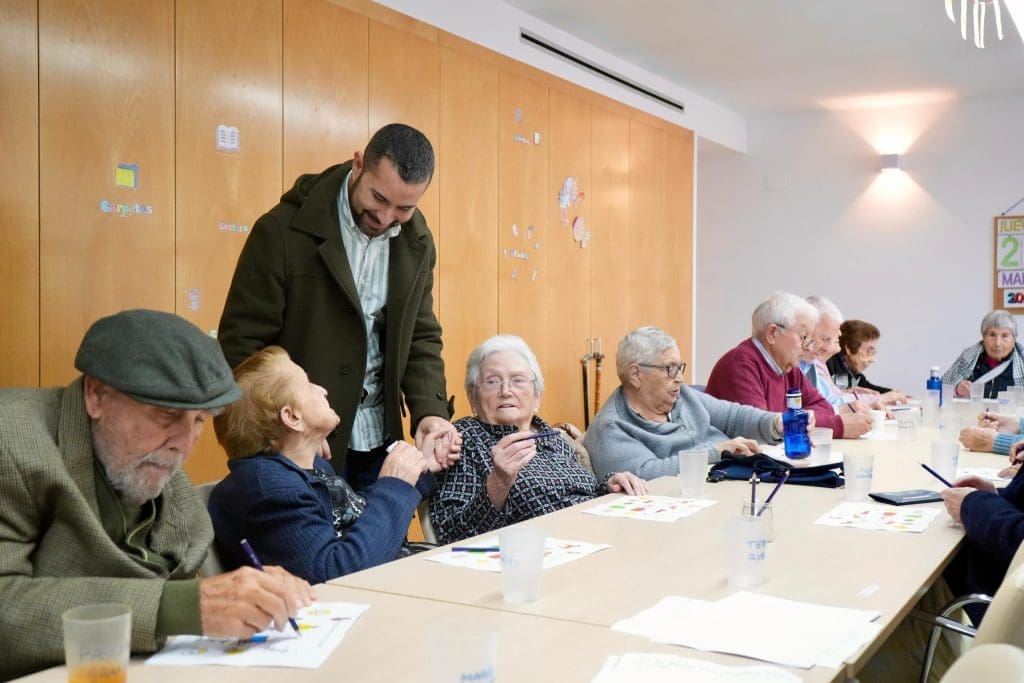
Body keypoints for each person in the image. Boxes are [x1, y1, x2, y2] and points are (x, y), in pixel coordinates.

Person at [0, 310, 314, 680]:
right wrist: (178, 607)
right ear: (97, 395)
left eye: (200, 420)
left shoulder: (164, 477)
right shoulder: (12, 440)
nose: (183, 445)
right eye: (166, 414)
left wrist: (251, 596)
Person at [218, 123, 460, 492]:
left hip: (380, 439)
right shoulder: (283, 231)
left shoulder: (417, 241)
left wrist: (429, 411)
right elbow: (243, 348)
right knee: (319, 549)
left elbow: (421, 335)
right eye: (378, 198)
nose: (385, 218)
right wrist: (291, 429)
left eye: (404, 208)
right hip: (303, 445)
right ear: (359, 163)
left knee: (383, 545)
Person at [208, 346, 452, 584]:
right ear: (292, 418)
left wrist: (417, 469)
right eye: (308, 385)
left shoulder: (307, 466)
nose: (322, 390)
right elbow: (338, 573)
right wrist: (394, 485)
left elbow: (354, 520)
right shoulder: (271, 492)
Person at [429, 335, 645, 545]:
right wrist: (498, 484)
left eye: (518, 380)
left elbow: (579, 495)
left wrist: (609, 485)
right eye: (492, 381)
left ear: (537, 396)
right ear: (472, 398)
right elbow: (451, 536)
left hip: (593, 540)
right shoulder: (462, 440)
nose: (506, 391)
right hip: (533, 559)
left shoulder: (554, 438)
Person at [584, 326, 786, 480]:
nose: (680, 378)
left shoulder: (683, 396)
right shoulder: (611, 427)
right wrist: (716, 451)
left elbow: (733, 416)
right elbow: (648, 473)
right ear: (636, 374)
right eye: (670, 369)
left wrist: (776, 423)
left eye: (681, 368)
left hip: (734, 478)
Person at [705, 291, 871, 439]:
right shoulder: (742, 365)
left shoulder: (788, 366)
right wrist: (836, 425)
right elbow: (765, 427)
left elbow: (823, 407)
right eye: (803, 337)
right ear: (772, 334)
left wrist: (795, 418)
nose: (808, 346)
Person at [800, 295, 874, 414]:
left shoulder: (810, 364)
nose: (828, 346)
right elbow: (799, 413)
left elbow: (831, 399)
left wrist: (854, 405)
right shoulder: (797, 364)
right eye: (825, 338)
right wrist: (839, 411)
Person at [943, 309, 1024, 399]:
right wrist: (957, 391)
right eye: (992, 335)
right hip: (972, 412)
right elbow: (940, 387)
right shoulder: (968, 357)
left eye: (1004, 336)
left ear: (1014, 339)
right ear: (983, 337)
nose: (997, 343)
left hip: (1008, 413)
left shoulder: (1021, 361)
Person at [826, 319, 909, 406]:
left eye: (873, 352)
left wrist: (892, 393)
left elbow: (867, 387)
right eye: (869, 351)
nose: (873, 360)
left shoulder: (851, 371)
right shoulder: (829, 364)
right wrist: (885, 397)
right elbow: (838, 398)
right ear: (849, 348)